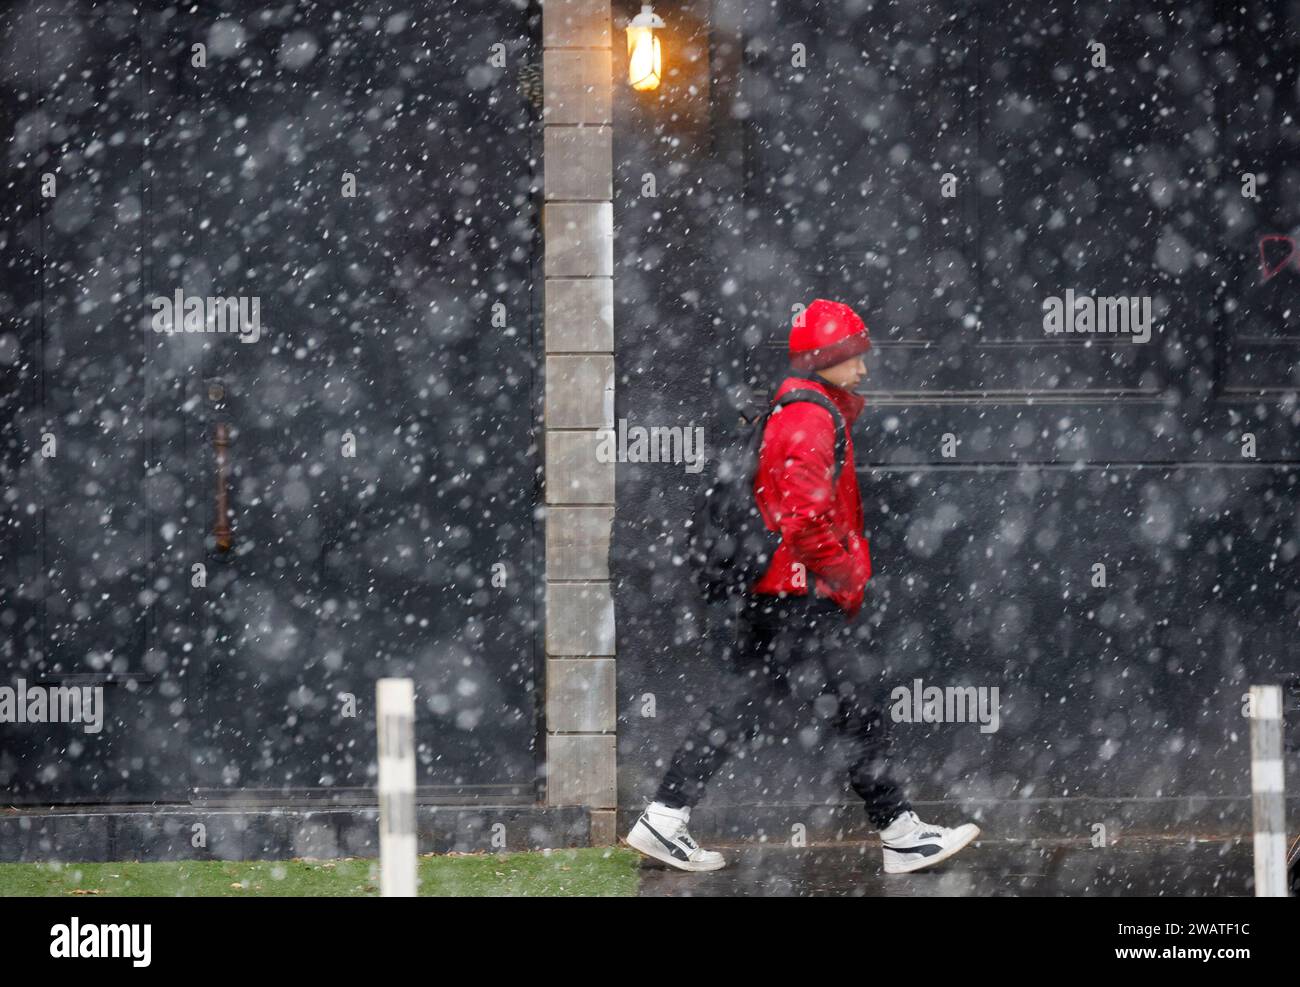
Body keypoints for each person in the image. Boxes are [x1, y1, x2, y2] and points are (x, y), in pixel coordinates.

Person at [625, 298, 980, 874]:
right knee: (855, 707)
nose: (863, 370)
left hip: (780, 590)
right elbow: (804, 519)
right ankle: (900, 833)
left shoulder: (802, 409)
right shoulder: (811, 417)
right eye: (853, 358)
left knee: (752, 702)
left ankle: (665, 817)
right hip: (797, 593)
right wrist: (846, 577)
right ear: (825, 359)